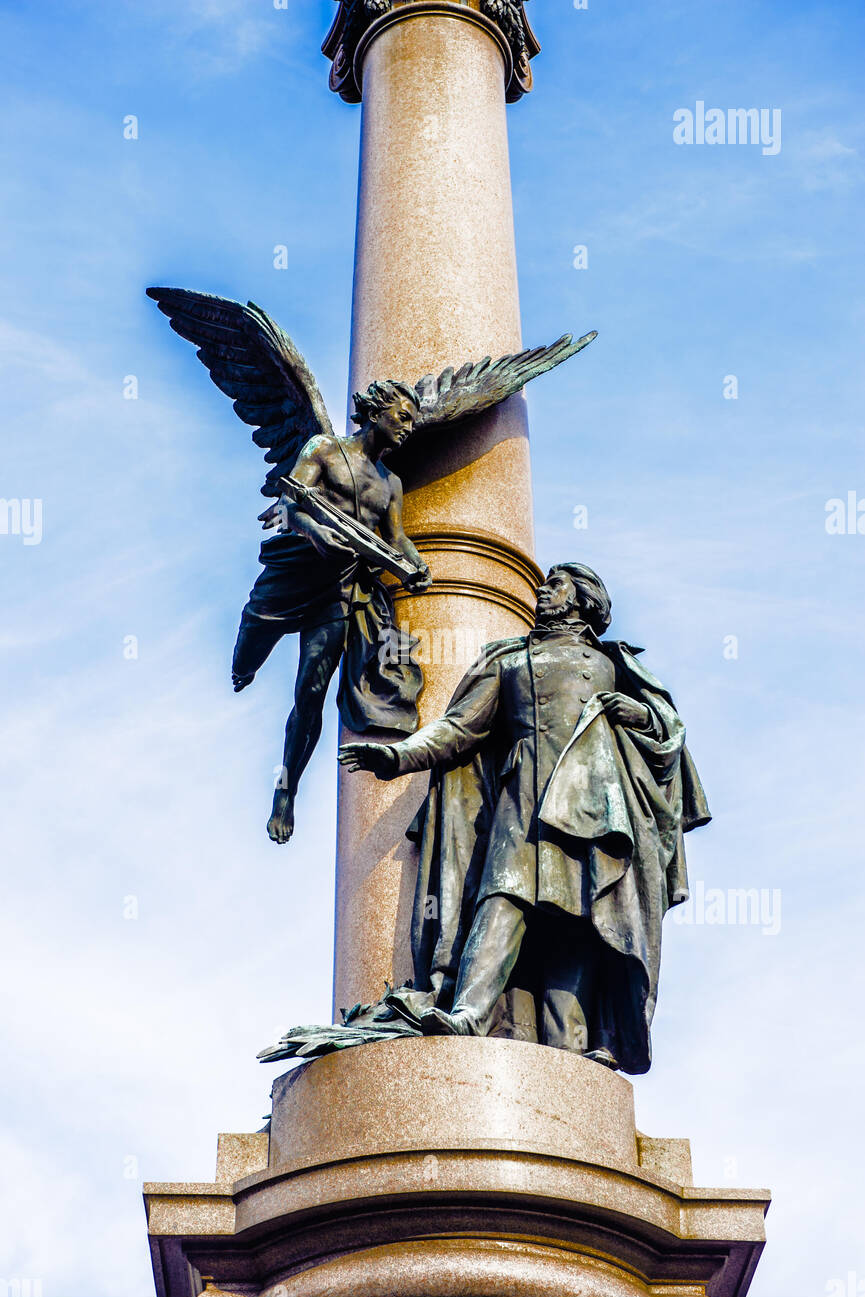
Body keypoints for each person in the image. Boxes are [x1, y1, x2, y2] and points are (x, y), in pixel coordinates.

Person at [338, 563, 710, 1073]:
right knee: (503, 895)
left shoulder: (614, 663)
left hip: (595, 807)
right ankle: (469, 1012)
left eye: (556, 586)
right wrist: (399, 756)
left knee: (582, 922)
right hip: (523, 802)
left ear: (583, 601)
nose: (542, 591)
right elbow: (459, 729)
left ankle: (573, 1047)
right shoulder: (509, 660)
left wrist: (637, 713)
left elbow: (669, 732)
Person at [233, 379, 431, 844]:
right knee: (248, 648)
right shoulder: (324, 449)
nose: (408, 428)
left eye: (413, 422)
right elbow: (288, 506)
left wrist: (415, 563)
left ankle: (286, 789)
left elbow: (395, 537)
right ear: (376, 411)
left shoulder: (391, 483)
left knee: (311, 689)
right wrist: (316, 533)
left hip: (340, 588)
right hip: (299, 568)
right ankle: (245, 662)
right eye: (402, 417)